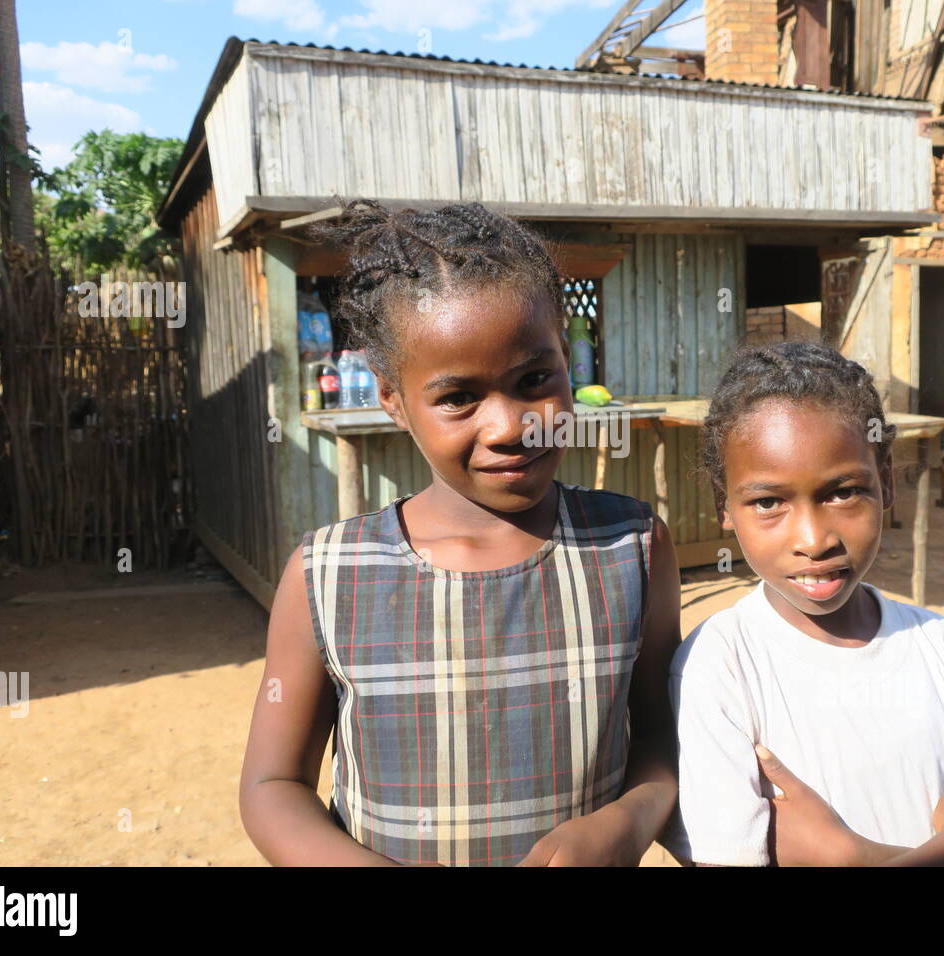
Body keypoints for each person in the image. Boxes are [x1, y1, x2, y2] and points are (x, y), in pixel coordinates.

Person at [238, 199, 679, 866]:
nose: (507, 426)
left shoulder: (633, 547)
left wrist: (628, 820)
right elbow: (273, 785)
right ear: (390, 396)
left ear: (567, 353)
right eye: (457, 398)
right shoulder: (327, 575)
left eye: (535, 379)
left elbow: (659, 739)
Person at [663, 341, 944, 867]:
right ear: (723, 506)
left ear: (886, 480)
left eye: (842, 492)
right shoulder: (719, 666)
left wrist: (853, 855)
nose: (814, 539)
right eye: (768, 502)